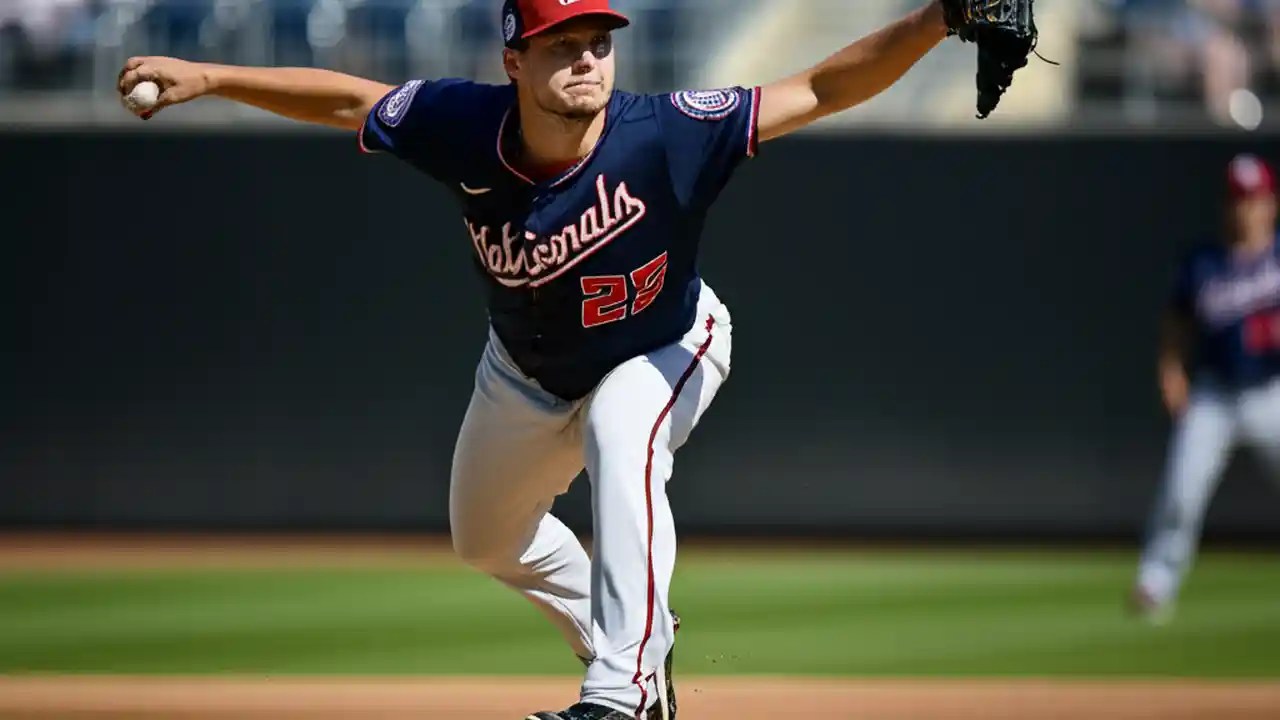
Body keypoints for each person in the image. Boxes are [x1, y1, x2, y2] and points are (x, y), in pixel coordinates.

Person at [117, 1, 967, 717]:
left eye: (599, 42)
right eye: (563, 45)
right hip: (522, 373)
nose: (588, 59)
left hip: (667, 343)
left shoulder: (666, 132)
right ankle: (641, 648)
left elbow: (823, 85)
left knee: (621, 424)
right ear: (514, 60)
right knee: (484, 537)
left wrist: (942, 15)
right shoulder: (461, 124)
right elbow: (350, 102)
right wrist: (214, 77)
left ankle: (623, 690)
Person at [1131, 153, 1280, 625]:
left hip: (1273, 391)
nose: (1246, 209)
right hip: (1214, 395)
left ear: (1271, 203)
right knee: (1181, 489)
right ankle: (1156, 583)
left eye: (1253, 199)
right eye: (1238, 199)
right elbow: (1176, 324)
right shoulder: (1204, 264)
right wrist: (1171, 372)